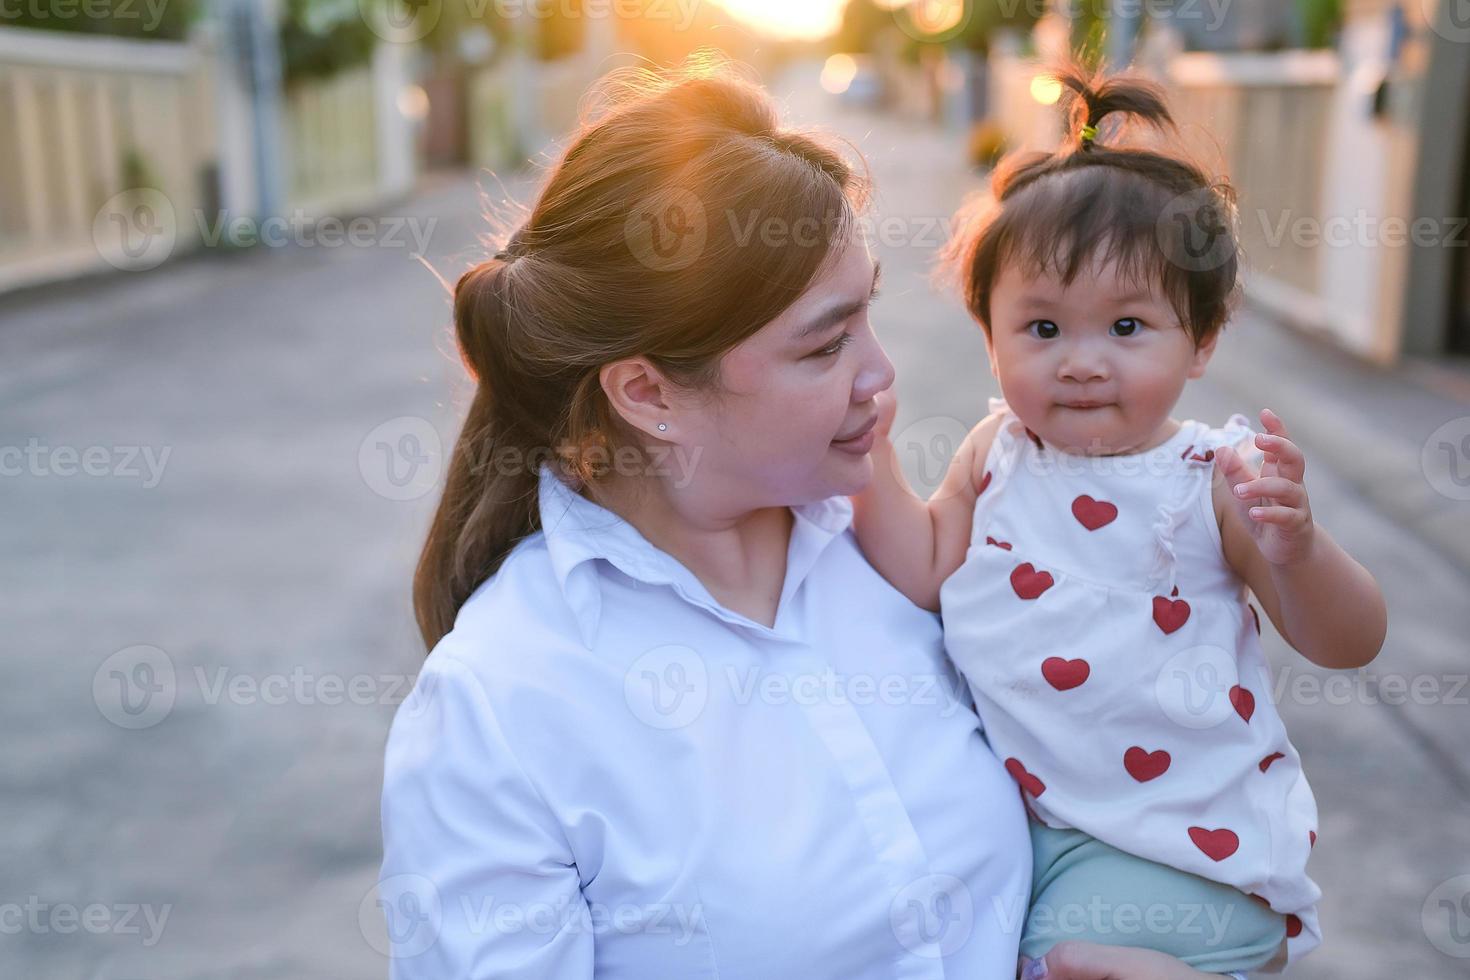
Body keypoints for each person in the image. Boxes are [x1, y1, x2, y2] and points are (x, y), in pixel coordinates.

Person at [379, 55, 1239, 980]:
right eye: (826, 344)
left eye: (865, 314)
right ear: (646, 392)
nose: (880, 375)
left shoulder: (912, 559)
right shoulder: (503, 703)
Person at [851, 63, 1388, 978]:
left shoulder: (1213, 477)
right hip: (1052, 832)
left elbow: (1349, 640)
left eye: (1128, 328)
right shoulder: (997, 451)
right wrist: (866, 461)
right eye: (1044, 329)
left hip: (1185, 853)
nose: (1083, 363)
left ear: (1202, 341)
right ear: (990, 336)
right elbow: (925, 567)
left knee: (1035, 961)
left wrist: (1297, 551)